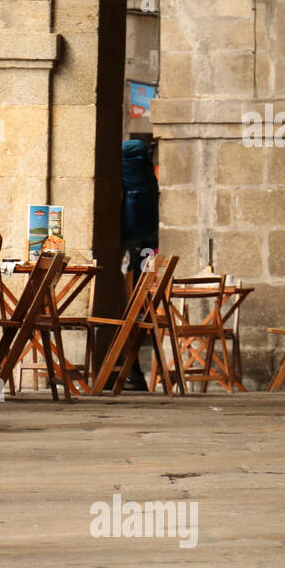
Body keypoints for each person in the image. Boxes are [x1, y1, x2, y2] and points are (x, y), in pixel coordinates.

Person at [120, 137, 159, 390]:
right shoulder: (147, 174)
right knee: (138, 307)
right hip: (146, 246)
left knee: (123, 311)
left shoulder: (121, 170)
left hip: (126, 247)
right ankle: (135, 374)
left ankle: (128, 373)